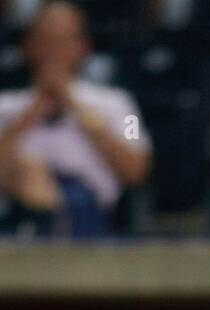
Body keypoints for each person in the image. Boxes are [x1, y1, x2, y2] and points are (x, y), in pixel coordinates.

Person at [0, 2, 151, 238]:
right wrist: (29, 115)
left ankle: (56, 226)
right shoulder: (6, 106)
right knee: (30, 171)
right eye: (46, 40)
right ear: (29, 45)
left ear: (83, 47)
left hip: (91, 213)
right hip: (18, 211)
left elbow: (137, 167)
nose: (54, 51)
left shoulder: (120, 104)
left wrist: (75, 107)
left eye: (64, 41)